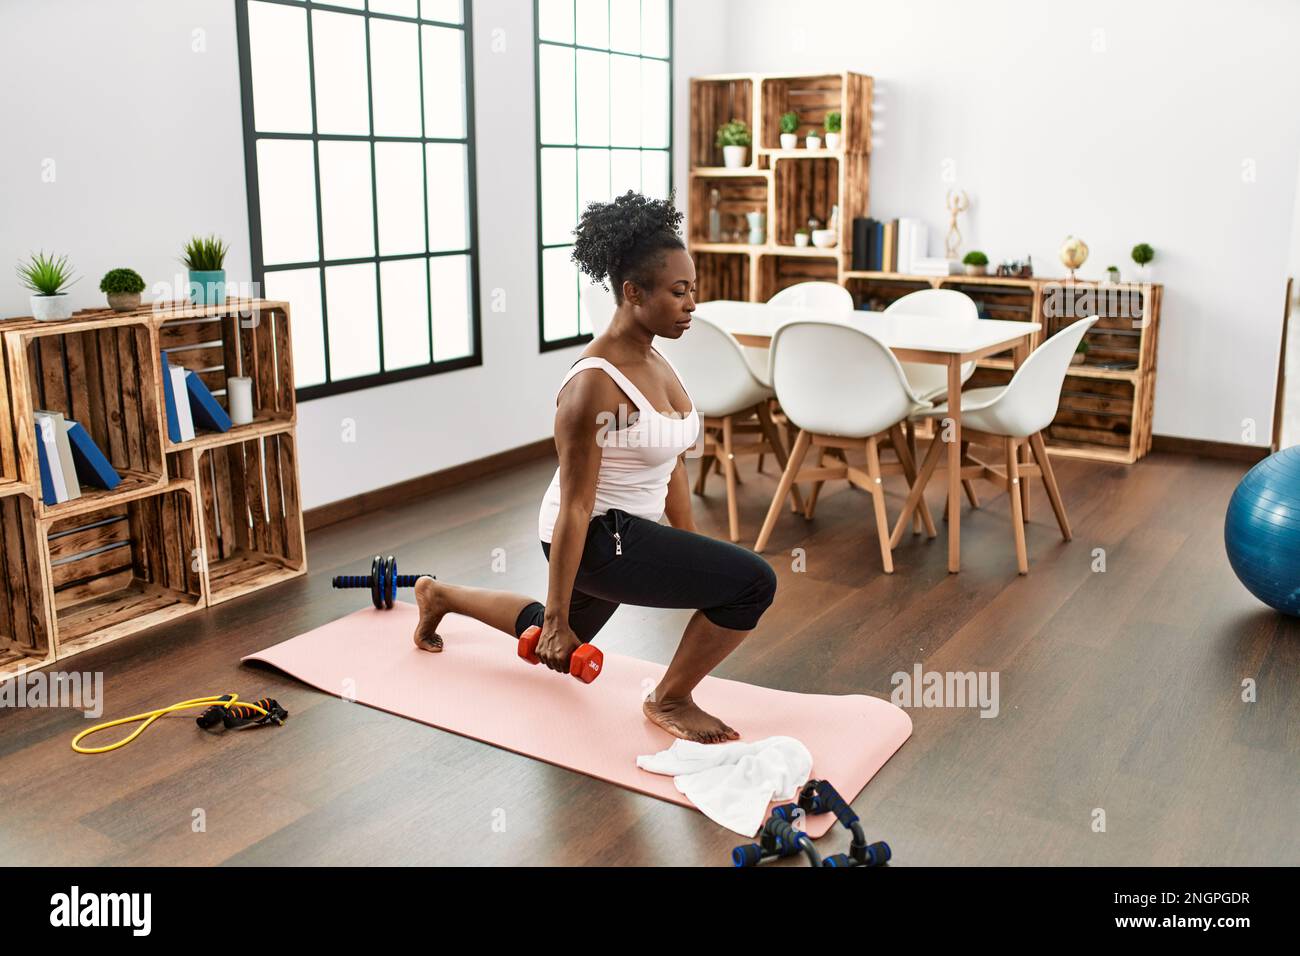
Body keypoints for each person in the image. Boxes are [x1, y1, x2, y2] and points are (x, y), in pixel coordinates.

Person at [412, 191, 777, 743]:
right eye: (679, 292)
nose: (692, 304)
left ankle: (438, 595)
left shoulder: (656, 357)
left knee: (558, 633)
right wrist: (558, 616)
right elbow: (578, 504)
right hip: (597, 537)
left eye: (692, 290)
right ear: (633, 293)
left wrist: (692, 551)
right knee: (754, 582)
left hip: (628, 531)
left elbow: (672, 461)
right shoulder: (593, 386)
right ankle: (670, 698)